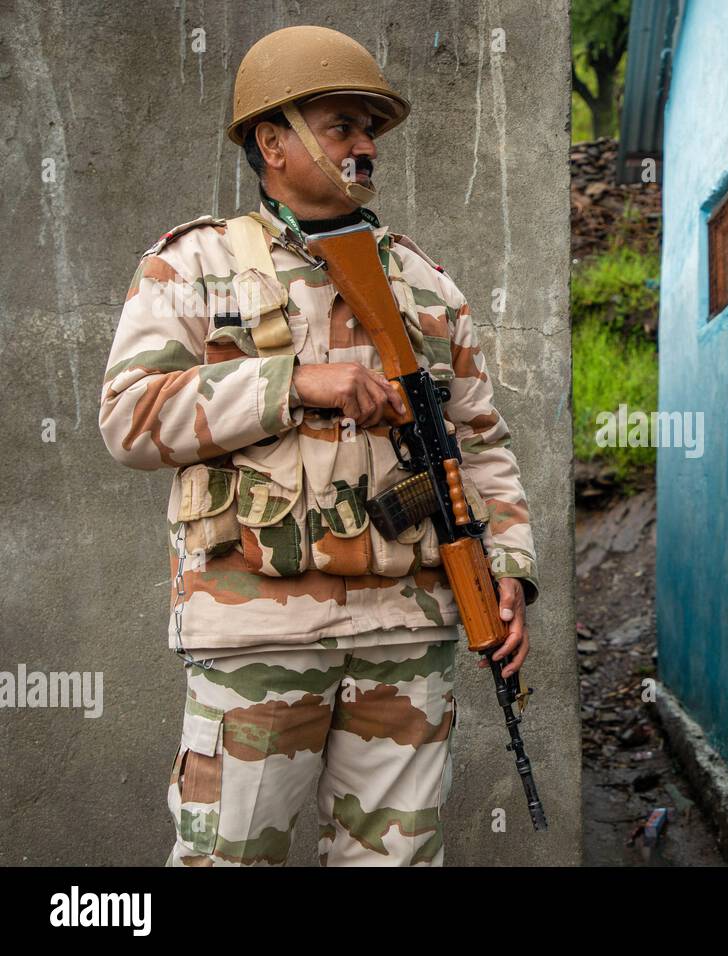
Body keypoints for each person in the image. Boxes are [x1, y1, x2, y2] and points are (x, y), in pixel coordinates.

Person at [98, 25, 540, 866]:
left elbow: (482, 443)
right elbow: (128, 417)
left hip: (407, 635)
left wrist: (510, 568)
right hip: (255, 633)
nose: (366, 145)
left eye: (370, 130)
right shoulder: (195, 267)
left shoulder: (426, 285)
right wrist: (291, 385)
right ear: (274, 142)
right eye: (342, 126)